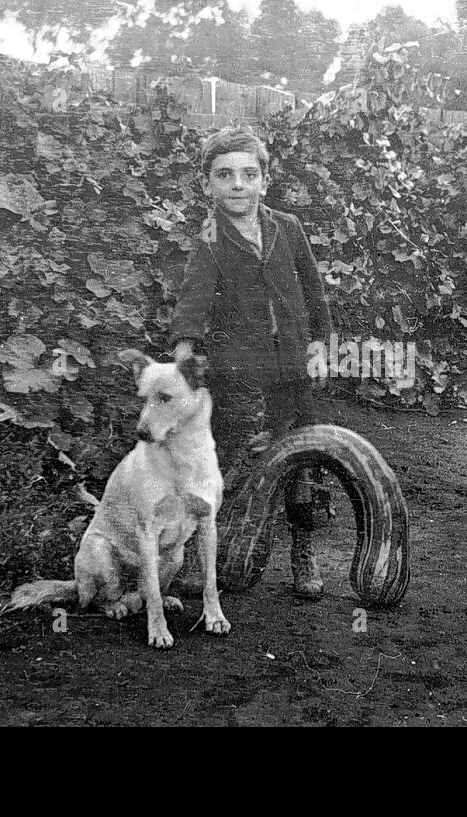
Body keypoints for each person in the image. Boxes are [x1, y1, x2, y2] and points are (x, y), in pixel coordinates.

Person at [168, 126, 333, 599]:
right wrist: (185, 347)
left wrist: (320, 341)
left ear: (264, 180)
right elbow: (194, 297)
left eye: (248, 174)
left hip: (293, 365)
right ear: (207, 185)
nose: (237, 184)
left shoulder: (289, 227)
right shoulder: (209, 237)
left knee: (304, 456)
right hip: (240, 370)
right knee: (242, 457)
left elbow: (313, 288)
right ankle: (232, 550)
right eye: (225, 175)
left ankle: (305, 551)